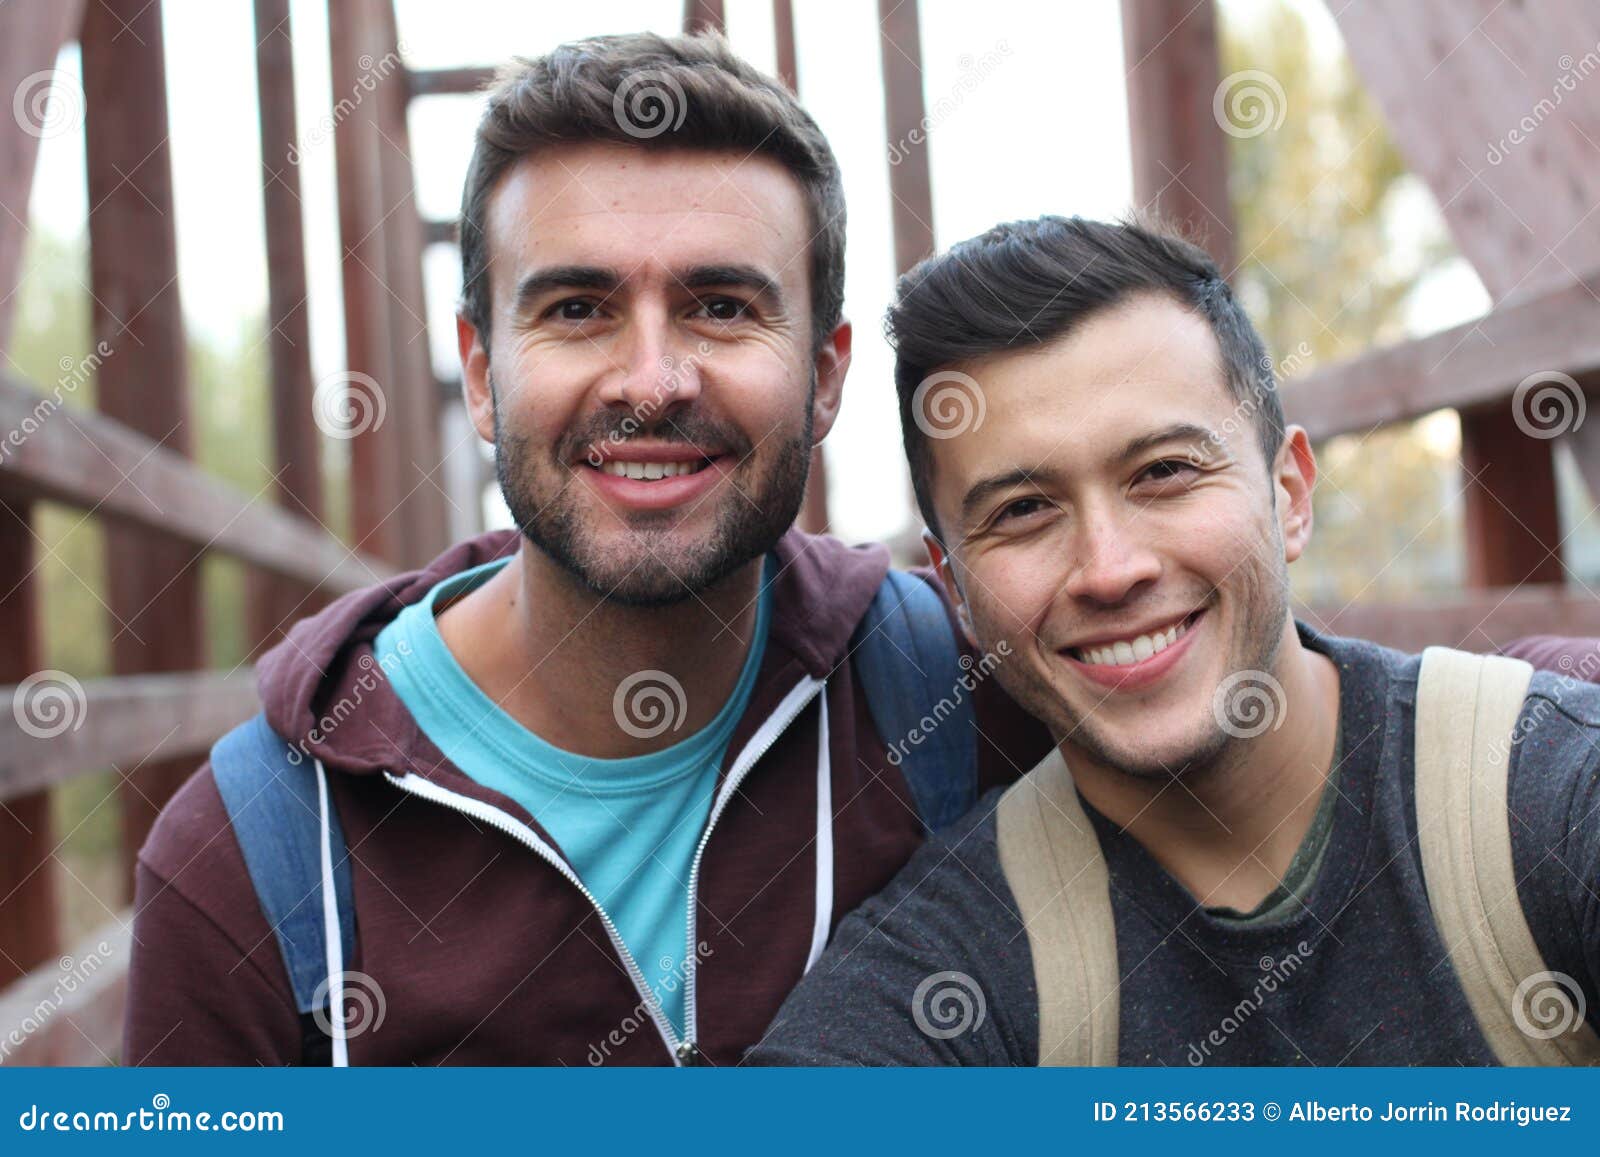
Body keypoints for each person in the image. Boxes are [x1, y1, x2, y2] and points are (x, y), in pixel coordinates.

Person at [121, 32, 1048, 1067]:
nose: (651, 381)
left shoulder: (975, 695)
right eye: (577, 309)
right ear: (480, 373)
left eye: (720, 307)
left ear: (826, 377)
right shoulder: (253, 856)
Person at [747, 215, 1600, 1066]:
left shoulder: (1551, 794)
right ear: (956, 591)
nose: (1109, 570)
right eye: (1023, 511)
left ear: (1290, 494)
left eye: (1165, 472)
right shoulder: (939, 970)